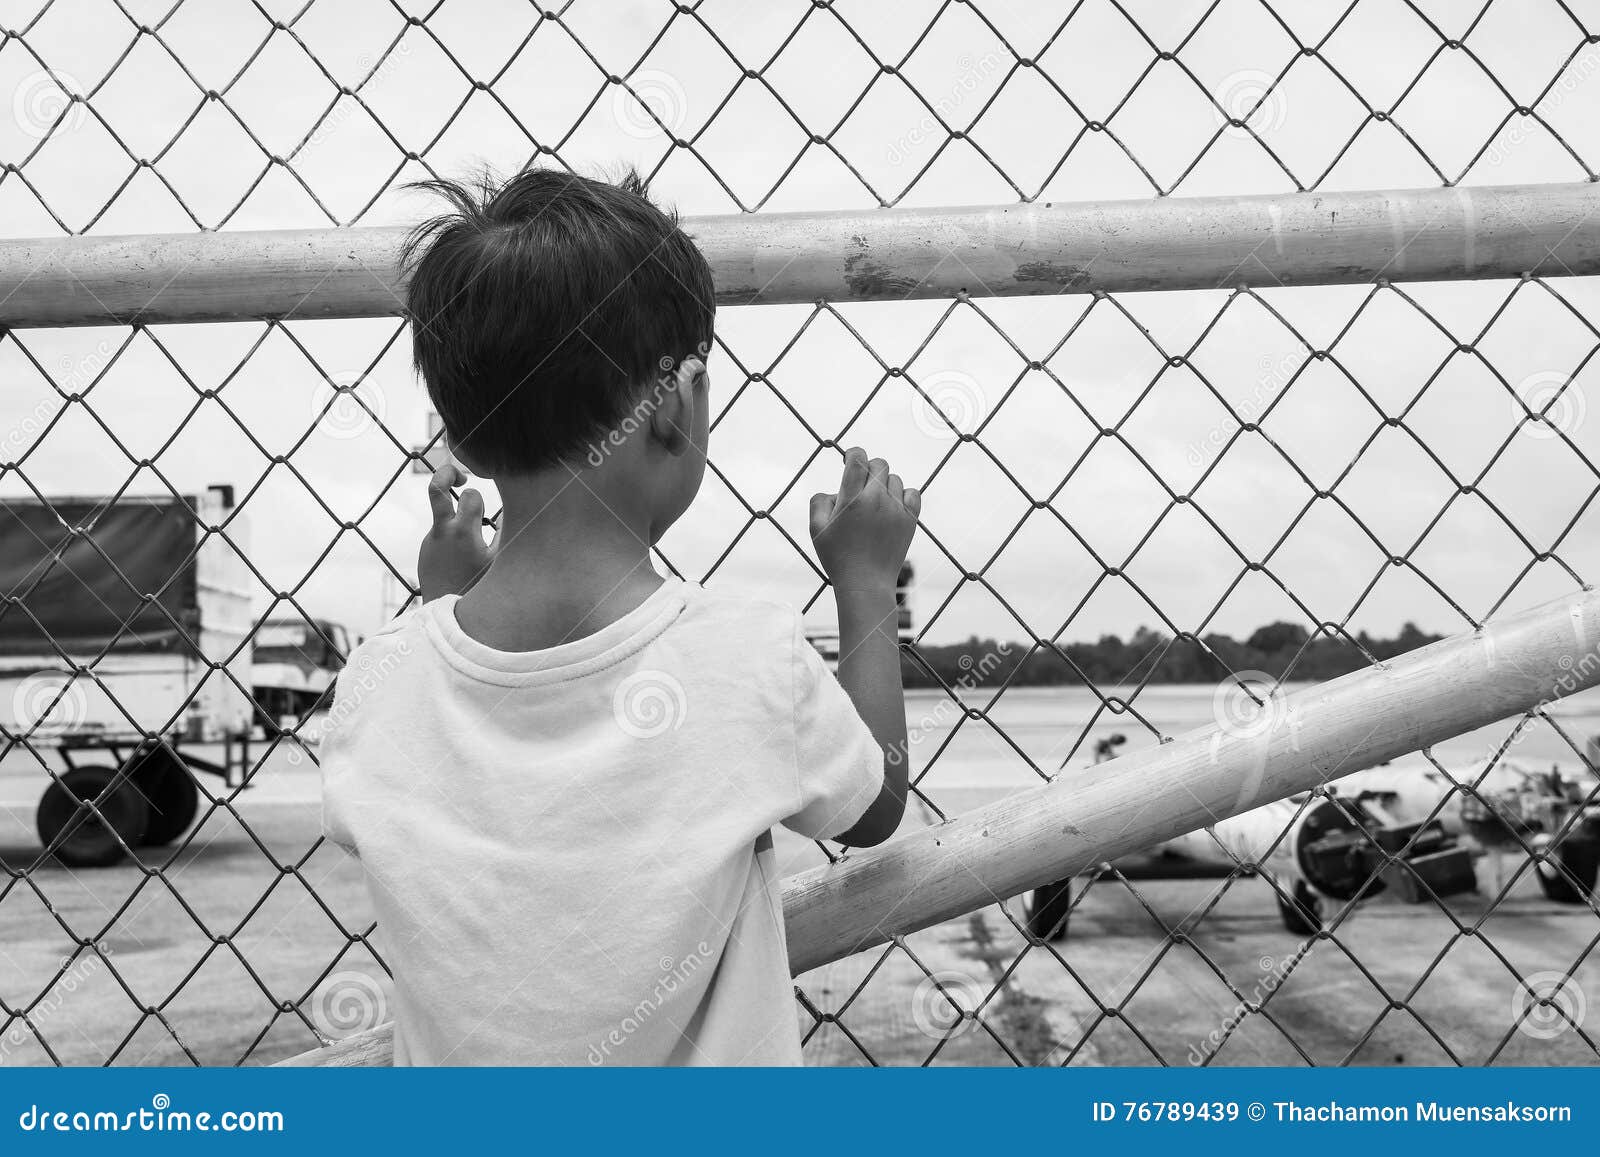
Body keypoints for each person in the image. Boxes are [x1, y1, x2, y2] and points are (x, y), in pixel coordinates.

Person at [318, 168, 918, 1065]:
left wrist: (439, 609)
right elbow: (874, 805)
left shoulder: (373, 678)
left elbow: (455, 754)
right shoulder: (743, 656)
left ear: (459, 430)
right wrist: (867, 583)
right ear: (676, 403)